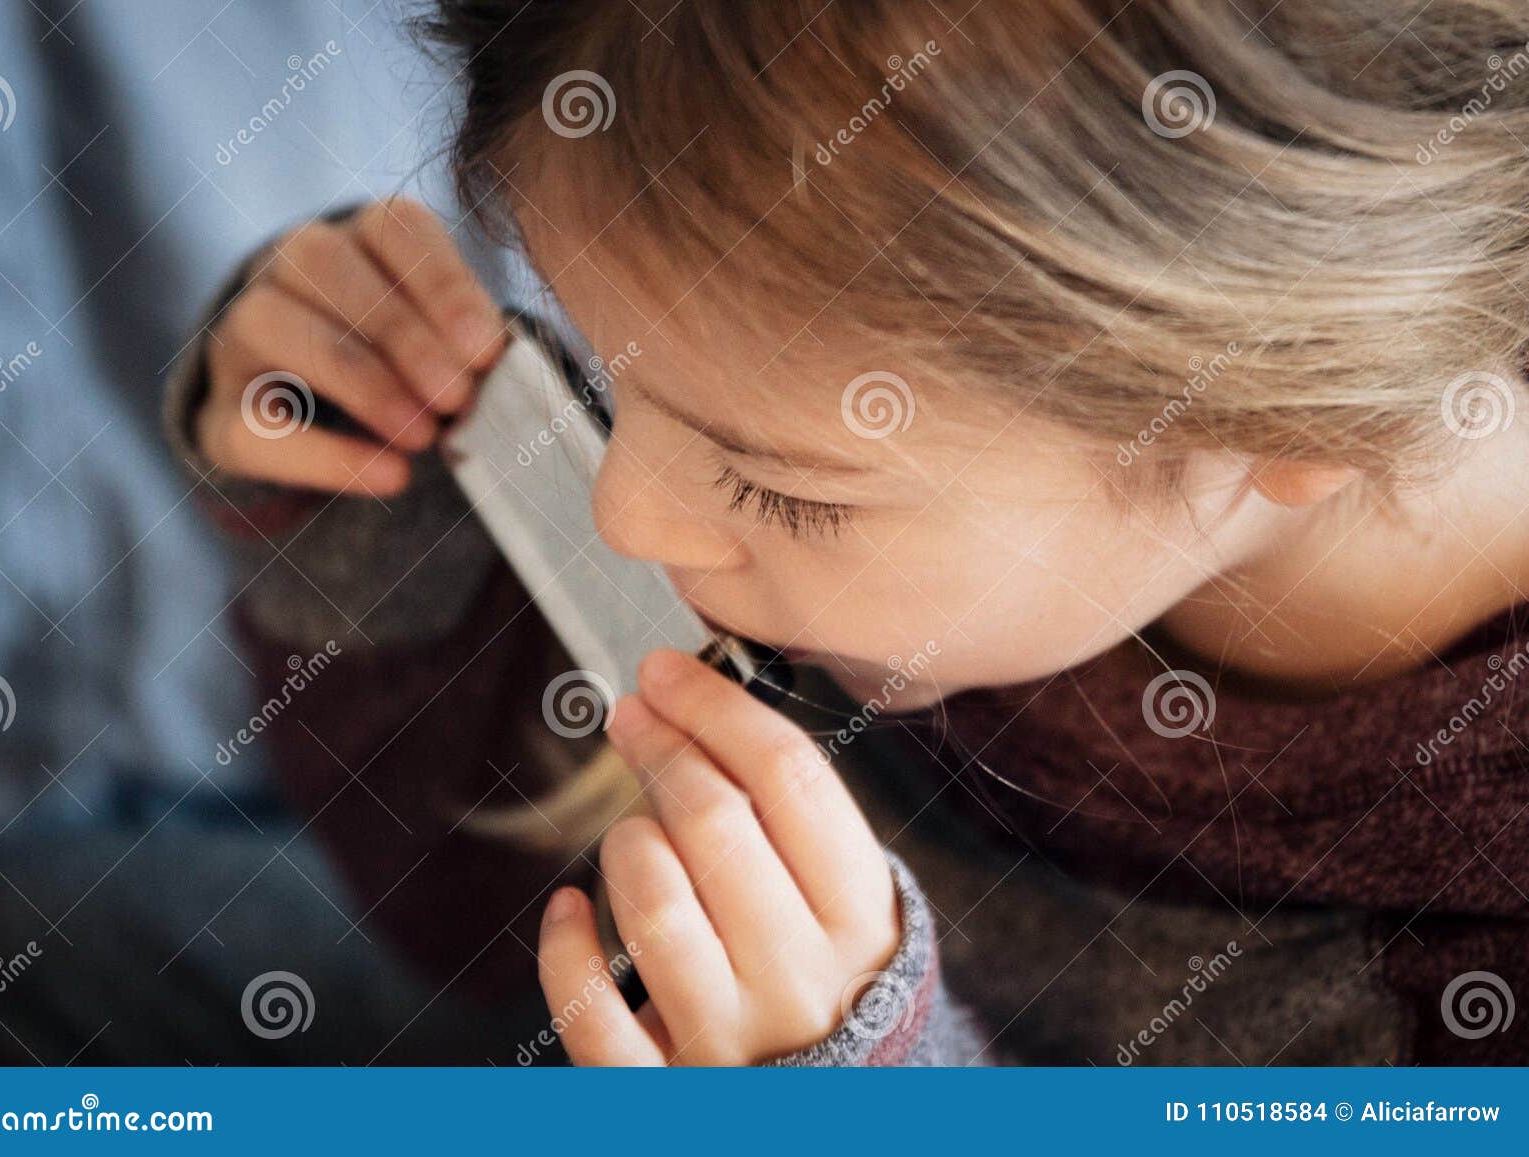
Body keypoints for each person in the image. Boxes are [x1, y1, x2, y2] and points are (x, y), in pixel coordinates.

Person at [165, 0, 1529, 1064]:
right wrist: (375, 496)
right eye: (612, 370)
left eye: (777, 480)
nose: (624, 509)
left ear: (1289, 404)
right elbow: (474, 918)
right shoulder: (885, 516)